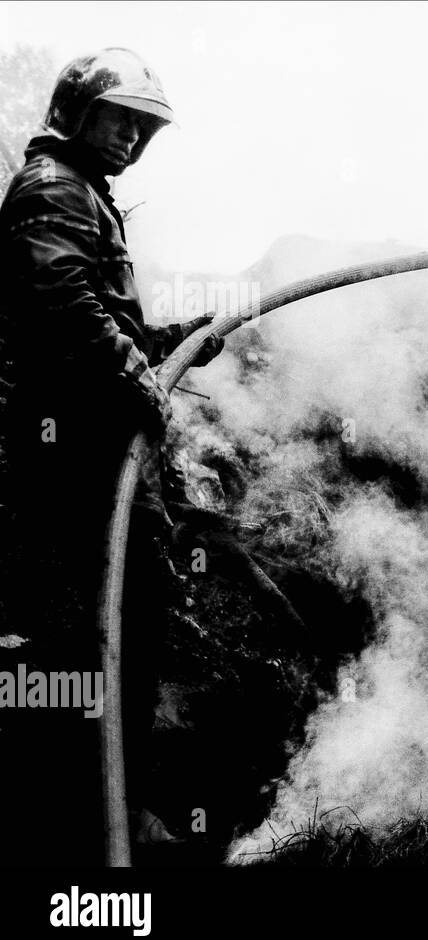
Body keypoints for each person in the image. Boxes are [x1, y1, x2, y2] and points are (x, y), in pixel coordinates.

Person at [0, 48, 223, 862]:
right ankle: (85, 821)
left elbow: (106, 327)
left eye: (142, 126)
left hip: (92, 451)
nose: (131, 136)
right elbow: (64, 308)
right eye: (118, 119)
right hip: (70, 459)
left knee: (126, 621)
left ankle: (114, 806)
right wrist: (143, 384)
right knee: (90, 631)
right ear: (76, 113)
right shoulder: (54, 189)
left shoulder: (83, 193)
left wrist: (178, 342)